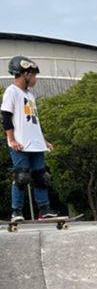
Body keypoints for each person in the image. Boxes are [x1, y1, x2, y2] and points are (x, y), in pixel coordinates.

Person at [3, 56, 61, 222]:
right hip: (20, 144)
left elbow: (34, 122)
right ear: (25, 74)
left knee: (42, 177)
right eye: (34, 75)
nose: (35, 79)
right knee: (22, 177)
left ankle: (44, 210)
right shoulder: (11, 92)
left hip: (36, 143)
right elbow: (6, 117)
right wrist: (11, 139)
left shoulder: (31, 96)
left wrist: (44, 141)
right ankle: (16, 211)